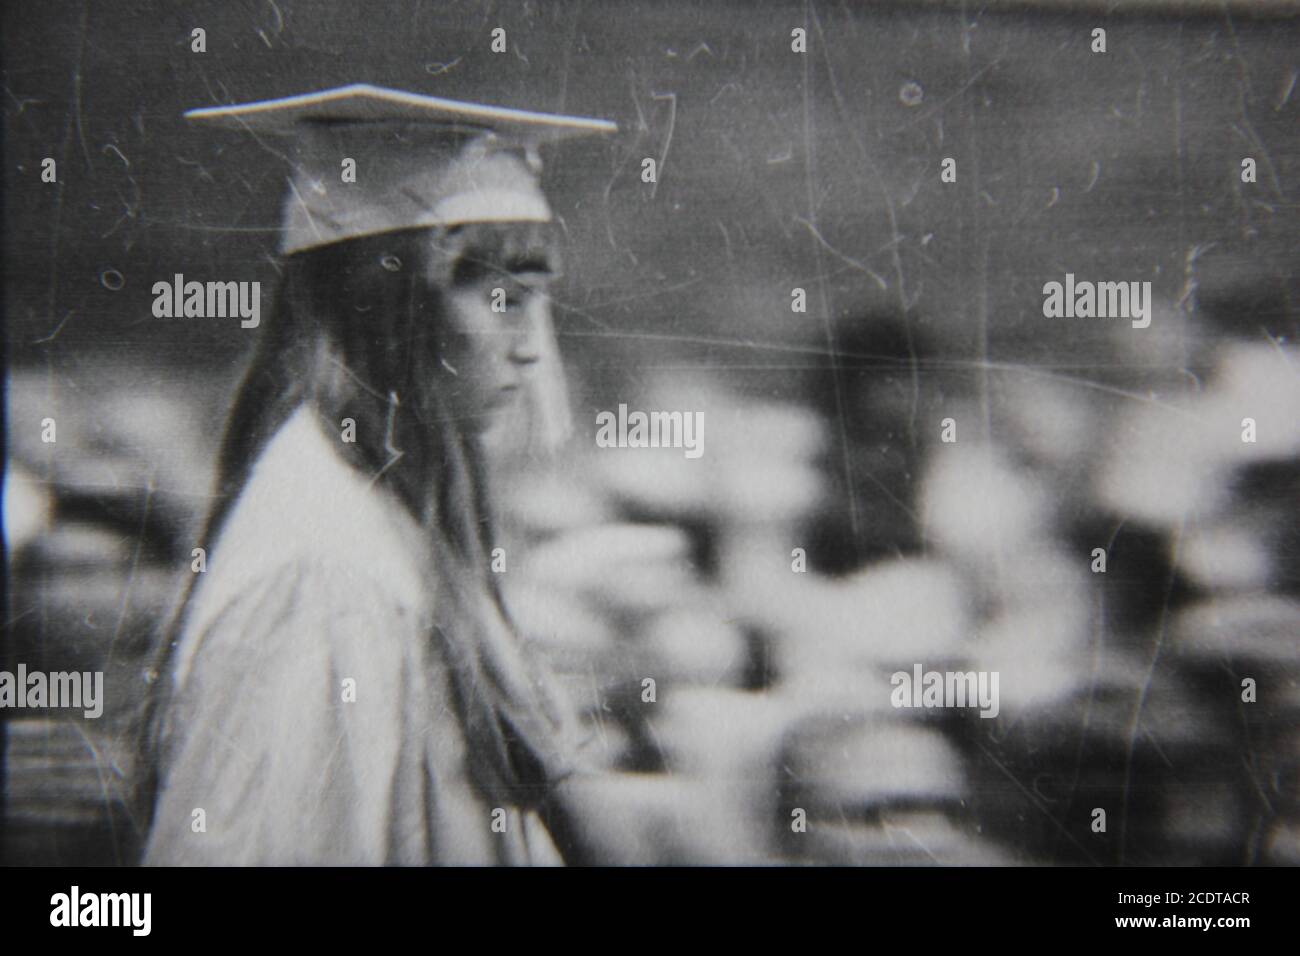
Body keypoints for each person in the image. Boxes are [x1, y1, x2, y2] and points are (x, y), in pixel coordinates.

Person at [138, 85, 616, 865]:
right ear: (385, 299)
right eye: (501, 296)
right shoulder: (325, 570)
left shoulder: (385, 514)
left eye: (535, 301)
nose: (532, 347)